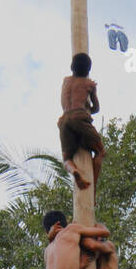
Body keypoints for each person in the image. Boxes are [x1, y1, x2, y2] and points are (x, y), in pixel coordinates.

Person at [58, 52, 105, 189]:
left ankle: (74, 171)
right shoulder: (89, 84)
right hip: (79, 116)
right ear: (88, 70)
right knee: (100, 152)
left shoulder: (65, 81)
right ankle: (93, 189)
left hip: (64, 120)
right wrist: (93, 92)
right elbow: (96, 108)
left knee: (67, 158)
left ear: (72, 67)